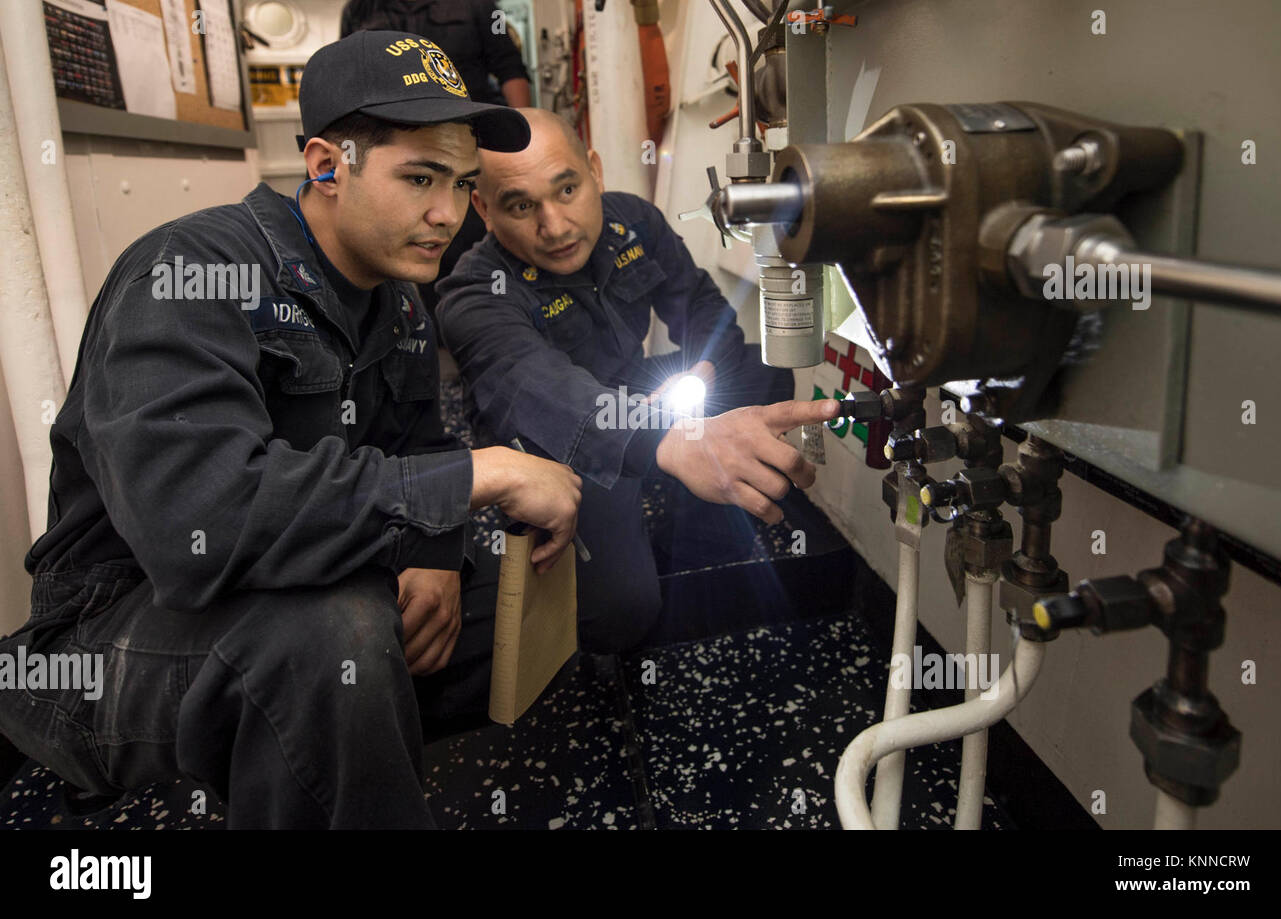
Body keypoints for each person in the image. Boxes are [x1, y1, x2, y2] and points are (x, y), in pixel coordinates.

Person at [0, 31, 585, 829]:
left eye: (461, 183)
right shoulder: (188, 273)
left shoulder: (399, 297)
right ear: (324, 165)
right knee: (330, 635)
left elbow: (419, 444)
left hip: (296, 589)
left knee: (533, 587)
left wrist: (435, 553)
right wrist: (479, 478)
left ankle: (342, 765)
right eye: (418, 177)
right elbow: (199, 521)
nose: (447, 215)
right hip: (108, 640)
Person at [436, 108, 841, 646]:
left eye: (566, 190)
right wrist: (666, 439)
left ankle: (690, 542)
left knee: (755, 372)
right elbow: (541, 386)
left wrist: (702, 365)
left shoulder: (635, 224)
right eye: (520, 205)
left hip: (638, 398)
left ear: (596, 173)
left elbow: (700, 305)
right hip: (559, 444)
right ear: (484, 209)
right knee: (622, 608)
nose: (554, 226)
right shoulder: (473, 293)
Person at [340, 0, 533, 315]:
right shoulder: (359, 9)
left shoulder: (480, 6)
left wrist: (524, 139)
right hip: (393, 151)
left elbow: (510, 67)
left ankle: (478, 323)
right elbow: (347, 79)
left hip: (466, 148)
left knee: (464, 236)